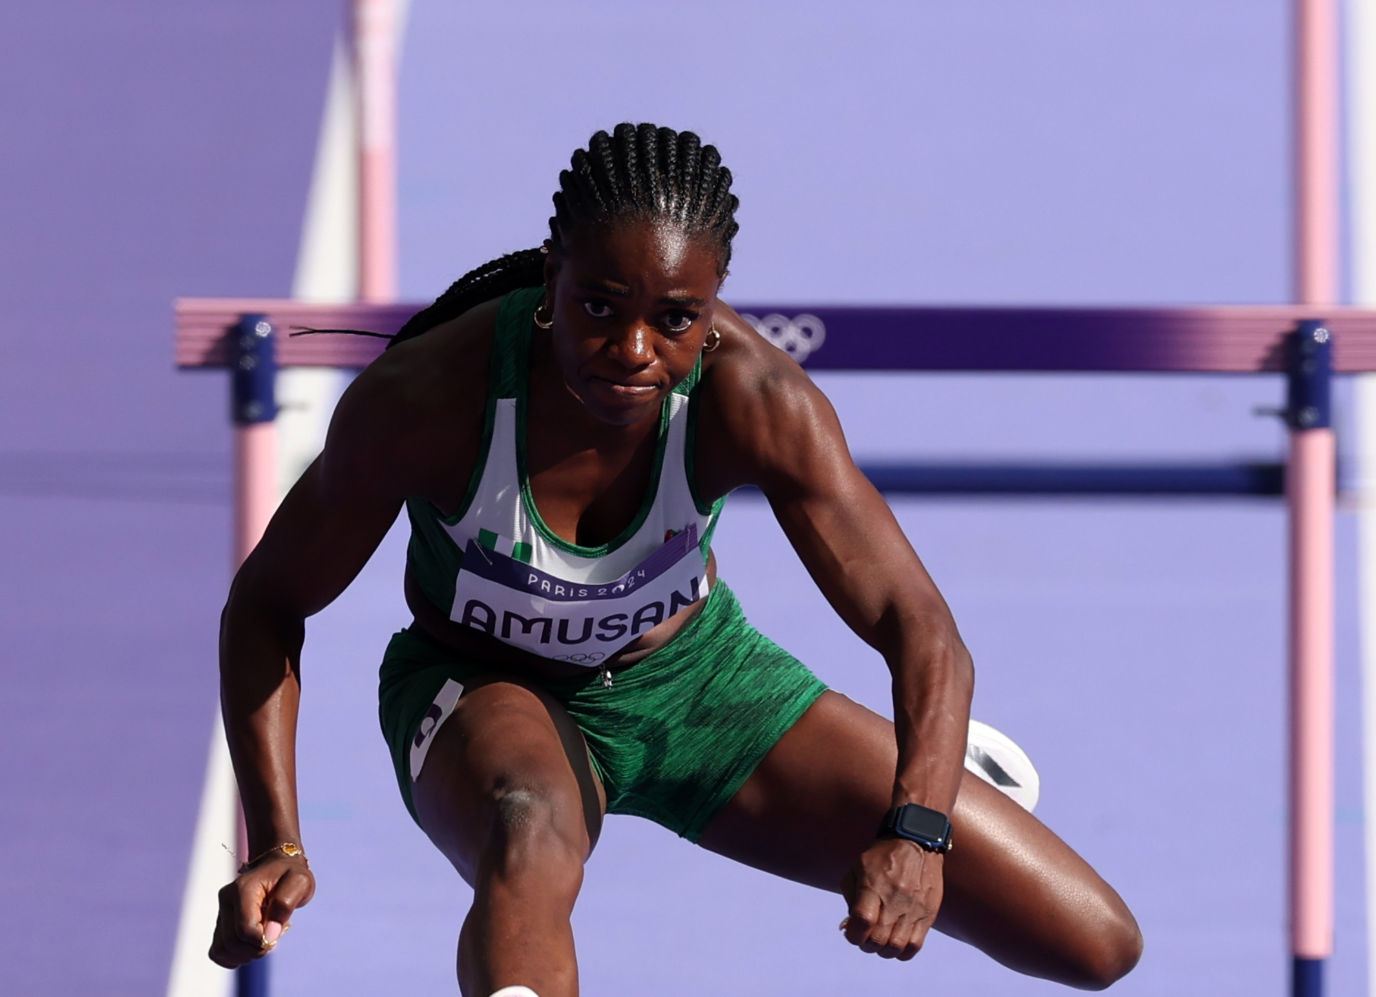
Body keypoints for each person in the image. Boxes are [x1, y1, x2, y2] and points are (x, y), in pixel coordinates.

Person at [210, 123, 1142, 995]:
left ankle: (923, 757)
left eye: (674, 319)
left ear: (713, 313)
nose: (631, 349)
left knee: (1096, 942)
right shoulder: (427, 400)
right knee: (530, 828)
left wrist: (918, 826)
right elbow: (267, 602)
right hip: (482, 688)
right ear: (550, 278)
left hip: (694, 684)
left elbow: (920, 625)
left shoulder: (758, 399)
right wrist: (277, 841)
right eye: (600, 308)